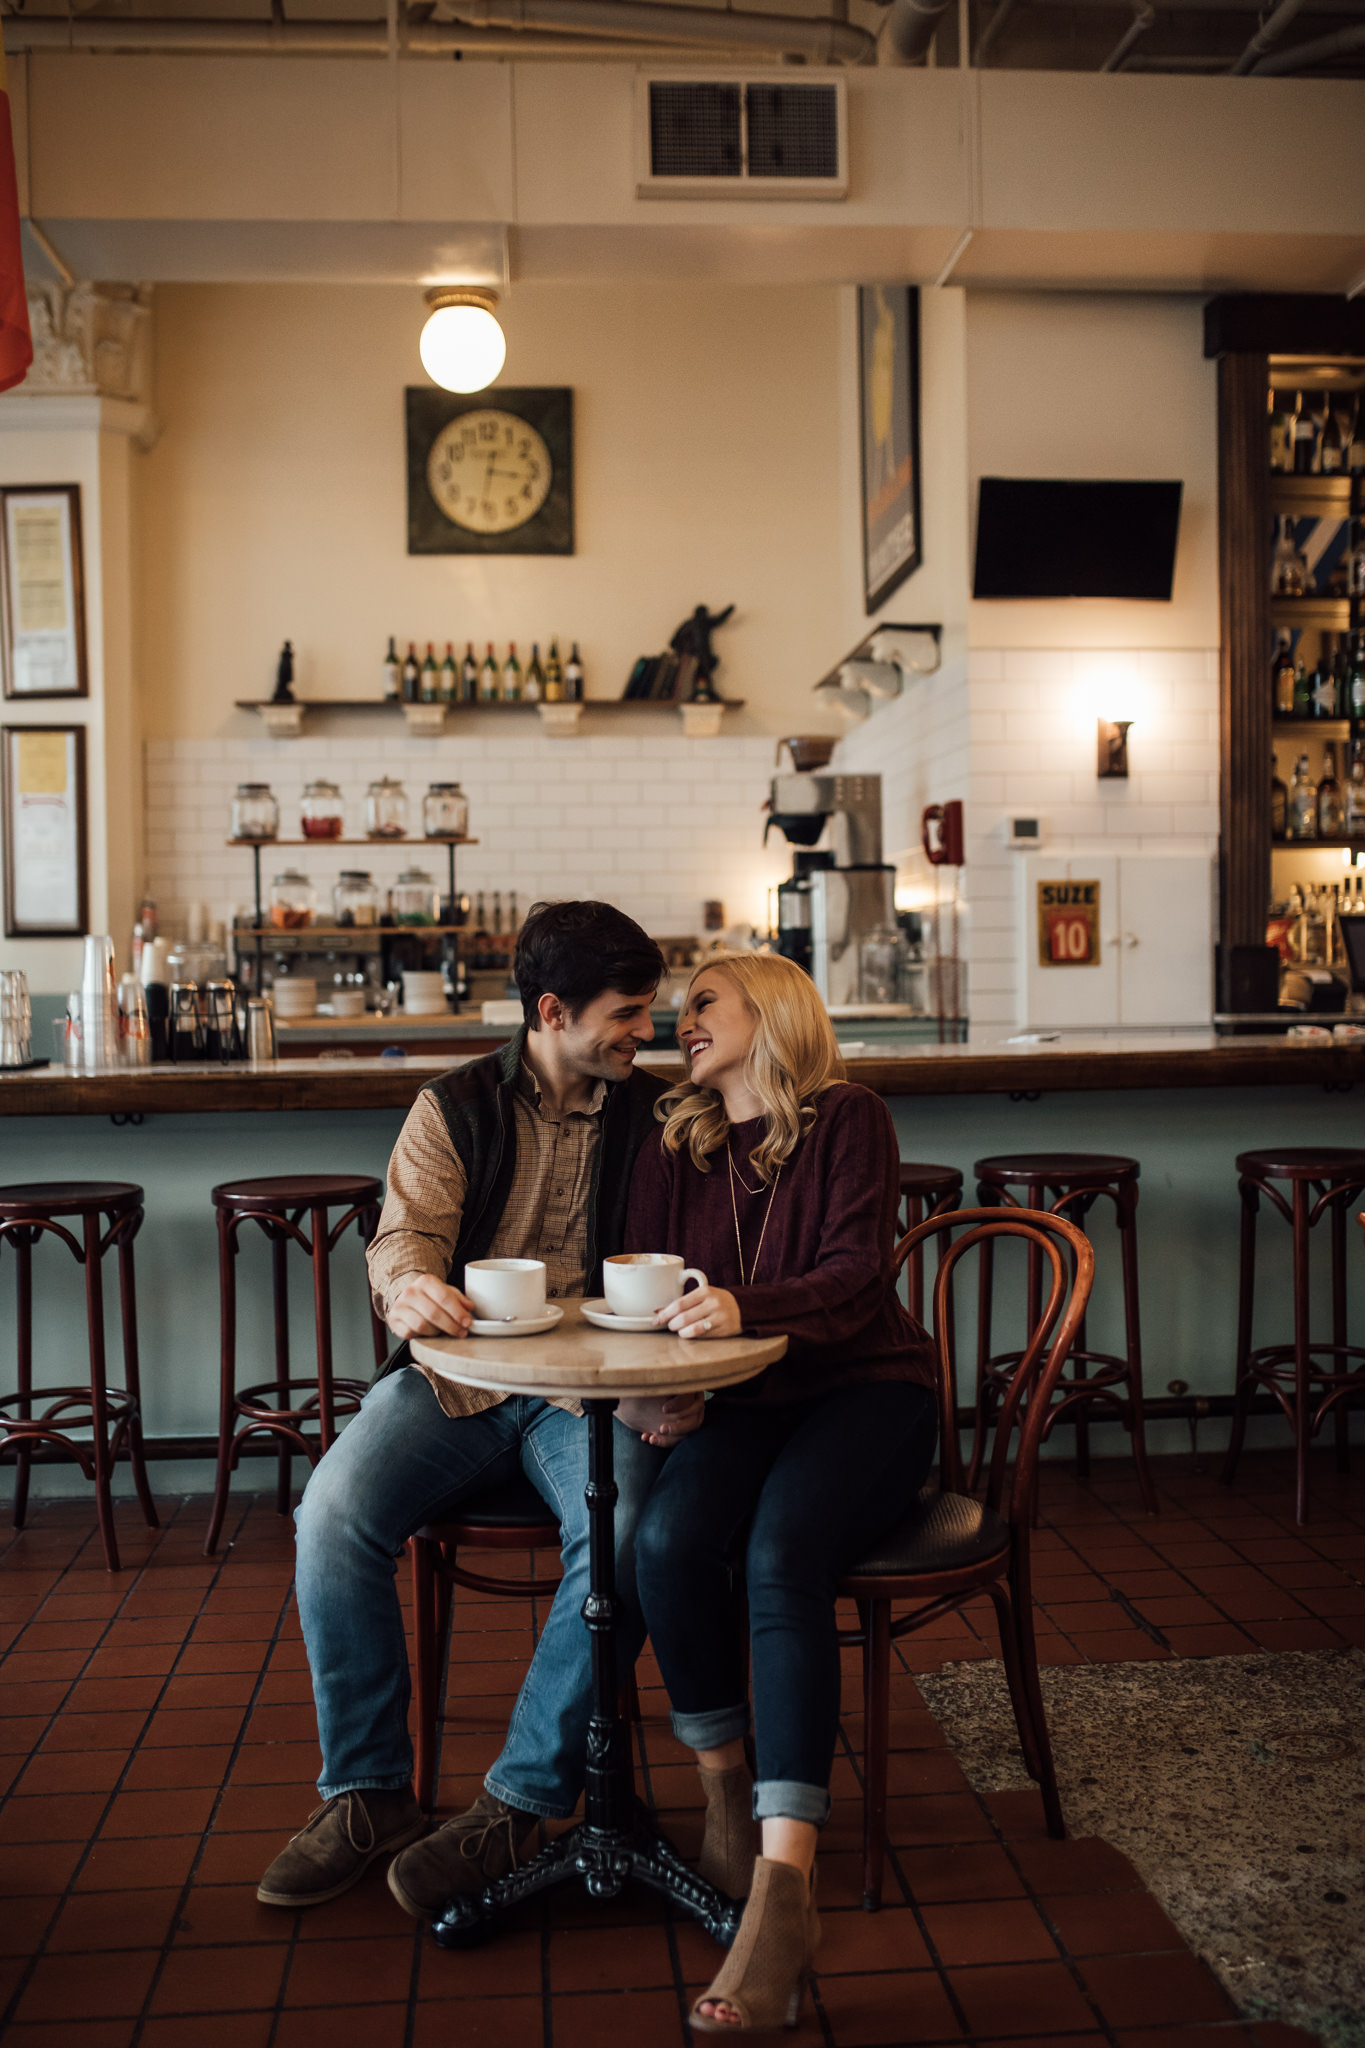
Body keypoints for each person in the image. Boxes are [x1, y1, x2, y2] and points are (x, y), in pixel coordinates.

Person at [256, 899, 703, 1918]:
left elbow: (696, 1248)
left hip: (586, 1395)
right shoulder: (452, 1105)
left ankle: (520, 1797)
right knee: (329, 1514)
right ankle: (367, 1794)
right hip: (459, 1379)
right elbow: (404, 1235)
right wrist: (407, 1285)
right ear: (552, 1009)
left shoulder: (660, 1117)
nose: (648, 1030)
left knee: (627, 1527)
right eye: (628, 1014)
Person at [628, 951, 939, 2033]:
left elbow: (855, 1279)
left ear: (774, 1007)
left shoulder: (849, 1115)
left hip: (870, 1392)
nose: (680, 1021)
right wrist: (652, 1388)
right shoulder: (682, 1140)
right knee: (663, 1538)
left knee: (777, 1551)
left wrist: (741, 1309)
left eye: (702, 1000)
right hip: (751, 1400)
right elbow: (653, 1280)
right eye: (676, 1010)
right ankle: (723, 1786)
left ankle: (784, 1882)